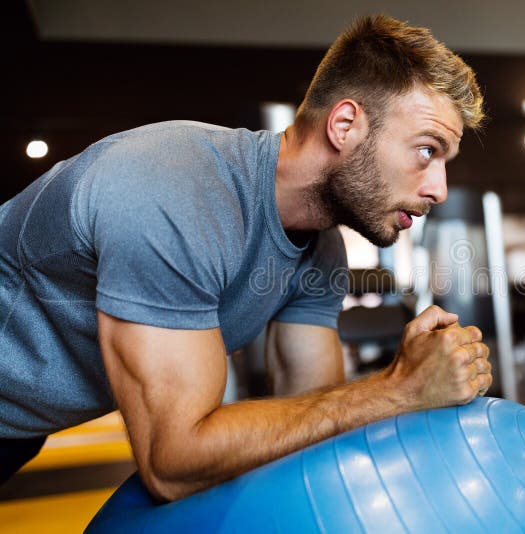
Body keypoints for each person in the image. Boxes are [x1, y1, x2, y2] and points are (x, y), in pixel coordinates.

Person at [0, 14, 490, 500]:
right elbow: (174, 462)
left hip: (22, 424)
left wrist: (420, 385)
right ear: (344, 125)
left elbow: (312, 420)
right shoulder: (172, 189)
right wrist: (399, 388)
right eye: (427, 151)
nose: (439, 189)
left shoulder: (322, 249)